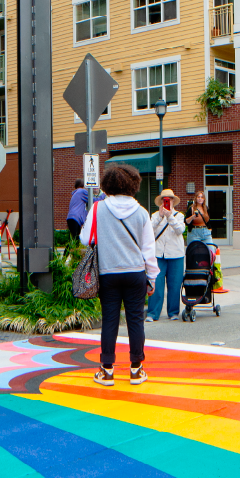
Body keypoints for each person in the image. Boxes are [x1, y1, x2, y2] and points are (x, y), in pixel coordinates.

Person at [80, 165, 158, 387]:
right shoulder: (142, 212)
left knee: (110, 321)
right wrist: (151, 278)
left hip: (108, 273)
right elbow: (148, 249)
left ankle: (107, 370)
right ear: (133, 184)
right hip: (135, 273)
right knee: (136, 320)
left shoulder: (98, 208)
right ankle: (136, 369)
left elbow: (85, 239)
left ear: (108, 184)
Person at [147, 189, 185, 322]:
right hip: (158, 255)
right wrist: (160, 216)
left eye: (169, 199)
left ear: (173, 201)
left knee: (174, 285)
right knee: (156, 284)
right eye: (164, 200)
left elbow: (180, 230)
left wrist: (170, 217)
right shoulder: (155, 215)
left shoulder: (179, 216)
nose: (166, 202)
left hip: (176, 254)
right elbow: (149, 230)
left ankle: (173, 312)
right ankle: (152, 313)